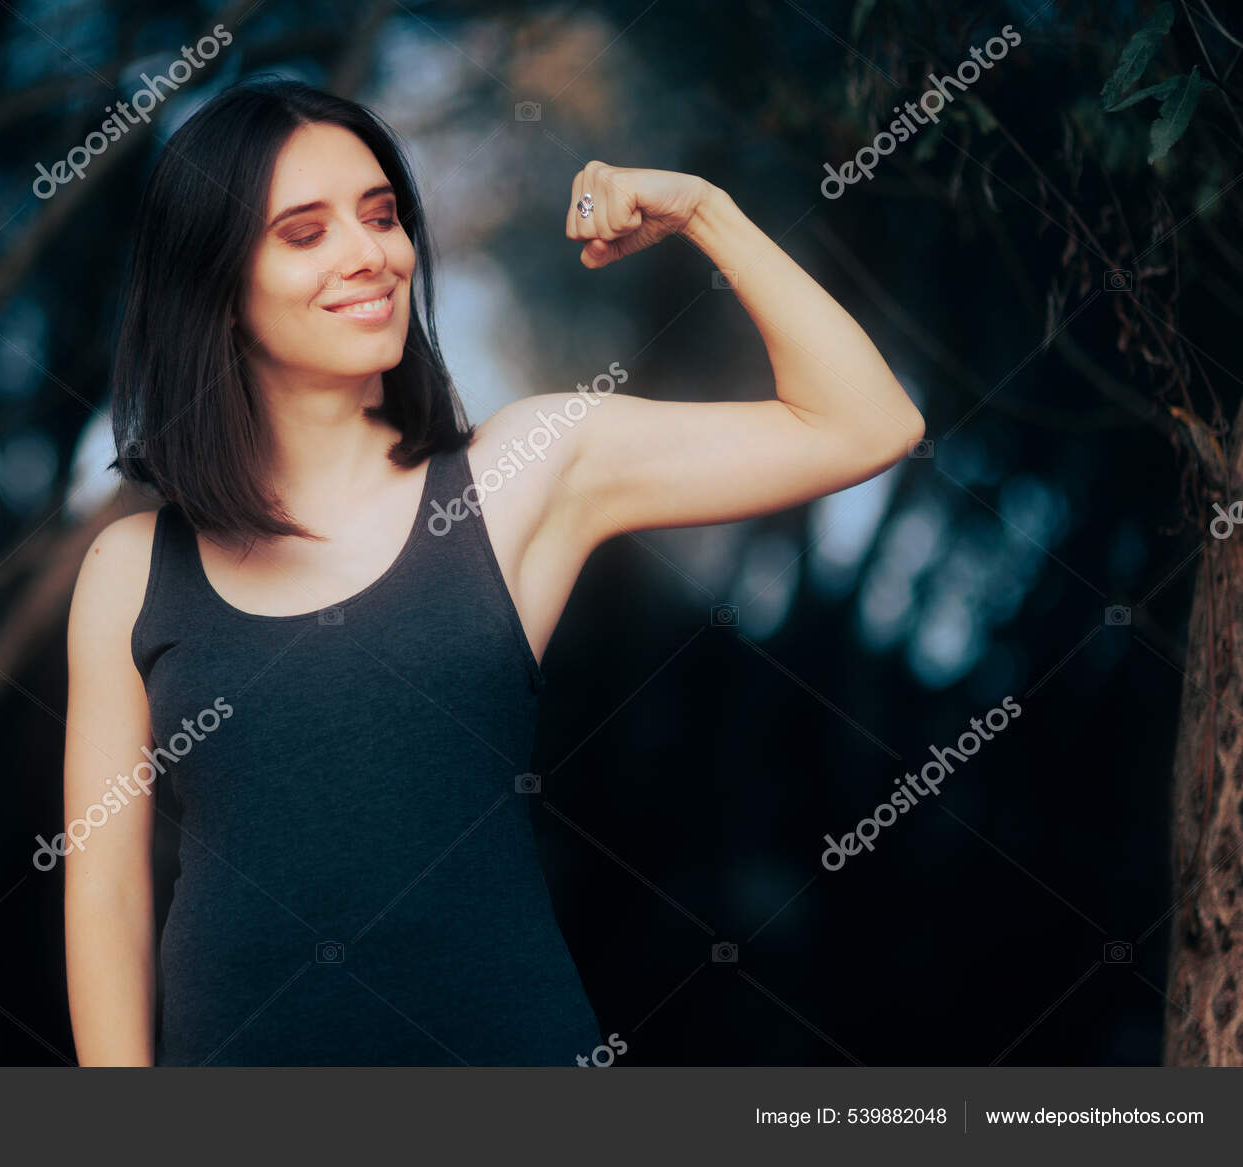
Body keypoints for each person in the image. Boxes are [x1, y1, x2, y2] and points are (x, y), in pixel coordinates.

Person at [63, 76, 924, 1066]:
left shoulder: (520, 475)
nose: (368, 255)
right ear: (212, 286)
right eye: (304, 233)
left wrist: (702, 211)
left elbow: (868, 424)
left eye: (381, 216)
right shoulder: (130, 570)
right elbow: (108, 894)